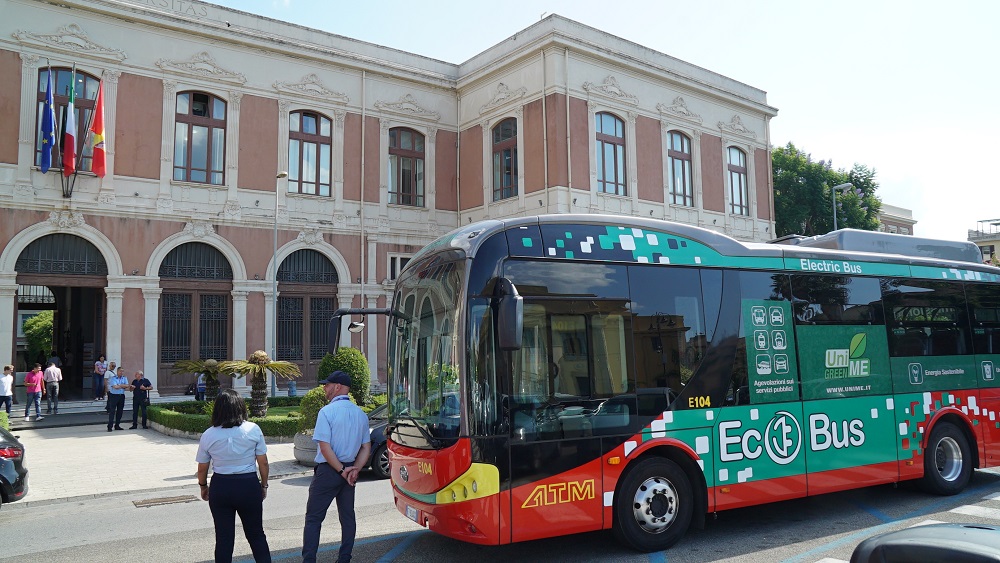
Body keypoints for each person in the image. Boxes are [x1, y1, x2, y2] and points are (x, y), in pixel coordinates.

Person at [302, 370, 370, 563]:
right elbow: (366, 447)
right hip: (350, 471)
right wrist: (354, 469)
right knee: (347, 517)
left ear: (337, 387)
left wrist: (341, 469)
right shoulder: (360, 414)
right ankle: (345, 558)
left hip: (330, 471)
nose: (324, 388)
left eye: (327, 385)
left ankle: (309, 560)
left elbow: (324, 446)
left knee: (314, 518)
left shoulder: (326, 412)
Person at [195, 389, 271, 563]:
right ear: (241, 407)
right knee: (256, 534)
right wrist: (264, 485)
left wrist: (203, 486)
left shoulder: (209, 434)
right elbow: (263, 463)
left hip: (221, 486)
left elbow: (202, 467)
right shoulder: (253, 429)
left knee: (224, 538)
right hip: (248, 484)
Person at [106, 366, 129, 431]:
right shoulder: (113, 378)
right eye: (120, 371)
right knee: (112, 411)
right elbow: (115, 387)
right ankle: (110, 426)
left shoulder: (124, 378)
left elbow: (127, 385)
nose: (121, 372)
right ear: (117, 371)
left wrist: (120, 386)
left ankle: (117, 425)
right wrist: (122, 385)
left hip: (121, 396)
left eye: (122, 371)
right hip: (114, 396)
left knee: (120, 411)